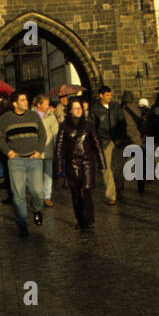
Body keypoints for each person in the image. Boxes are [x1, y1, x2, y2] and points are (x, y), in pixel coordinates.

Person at [0, 90, 47, 237]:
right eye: (23, 100)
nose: (26, 102)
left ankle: (36, 209)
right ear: (15, 103)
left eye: (26, 100)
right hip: (16, 160)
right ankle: (22, 224)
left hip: (33, 158)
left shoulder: (33, 116)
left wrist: (39, 151)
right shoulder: (5, 119)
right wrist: (8, 152)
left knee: (38, 192)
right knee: (18, 194)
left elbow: (42, 135)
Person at [55, 97, 104, 229]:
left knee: (87, 191)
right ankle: (80, 219)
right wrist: (59, 168)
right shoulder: (64, 127)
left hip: (88, 163)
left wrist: (102, 164)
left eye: (80, 108)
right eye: (75, 108)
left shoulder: (88, 125)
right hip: (72, 163)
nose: (78, 110)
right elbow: (59, 148)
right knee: (76, 193)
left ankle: (89, 219)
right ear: (70, 110)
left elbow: (97, 145)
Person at [89, 86, 125, 204]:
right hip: (104, 141)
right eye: (107, 95)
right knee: (106, 168)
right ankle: (111, 195)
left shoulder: (116, 106)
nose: (110, 97)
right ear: (101, 95)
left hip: (117, 140)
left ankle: (119, 188)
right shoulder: (95, 109)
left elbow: (122, 123)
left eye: (110, 95)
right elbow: (92, 127)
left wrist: (121, 137)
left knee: (118, 167)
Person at [34, 94, 60, 207]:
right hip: (36, 150)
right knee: (36, 174)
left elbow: (55, 133)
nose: (48, 106)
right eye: (45, 104)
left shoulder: (51, 116)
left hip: (48, 149)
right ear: (39, 105)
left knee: (48, 174)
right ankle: (38, 195)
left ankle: (47, 196)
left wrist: (57, 148)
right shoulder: (31, 115)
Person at [123, 93, 151, 194]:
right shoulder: (137, 110)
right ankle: (141, 184)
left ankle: (121, 185)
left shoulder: (122, 112)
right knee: (140, 163)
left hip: (127, 139)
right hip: (137, 139)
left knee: (124, 161)